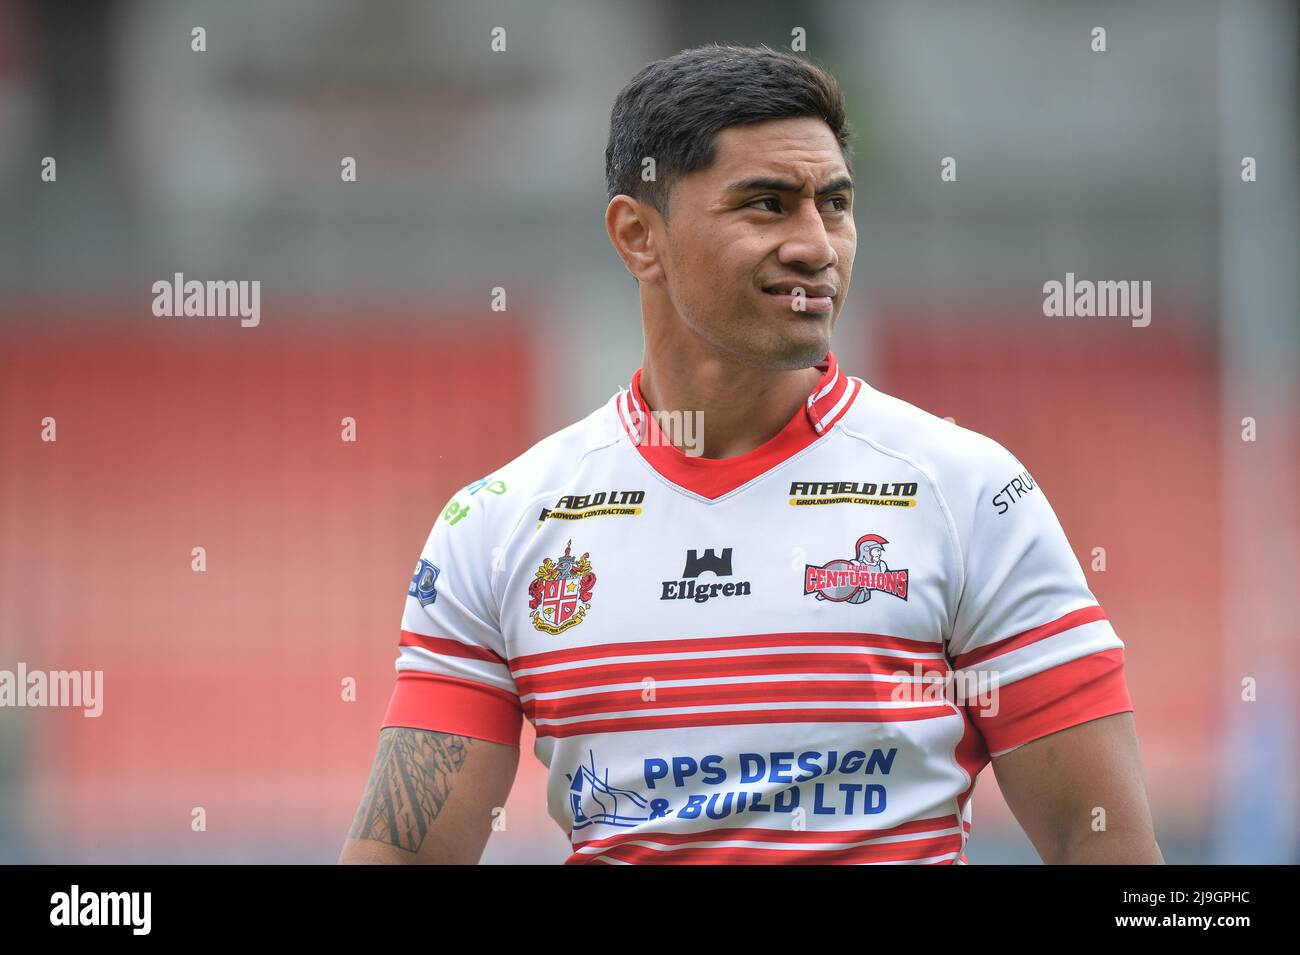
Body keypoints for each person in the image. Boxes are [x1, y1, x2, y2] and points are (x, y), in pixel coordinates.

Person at [339, 43, 1162, 865]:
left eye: (833, 205)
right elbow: (403, 853)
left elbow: (1109, 852)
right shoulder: (499, 522)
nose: (817, 247)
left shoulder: (971, 494)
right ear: (638, 237)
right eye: (767, 205)